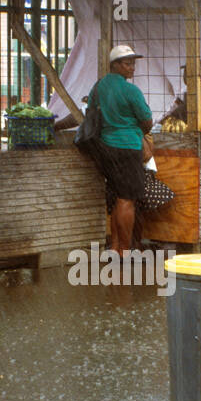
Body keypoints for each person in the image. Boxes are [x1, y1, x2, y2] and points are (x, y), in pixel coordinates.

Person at [85, 45, 153, 255]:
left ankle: (115, 248)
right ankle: (125, 250)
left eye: (133, 63)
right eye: (127, 63)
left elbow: (90, 113)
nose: (132, 68)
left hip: (105, 147)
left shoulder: (98, 87)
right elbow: (147, 121)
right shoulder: (131, 90)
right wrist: (136, 129)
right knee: (127, 200)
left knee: (117, 198)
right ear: (114, 65)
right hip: (127, 147)